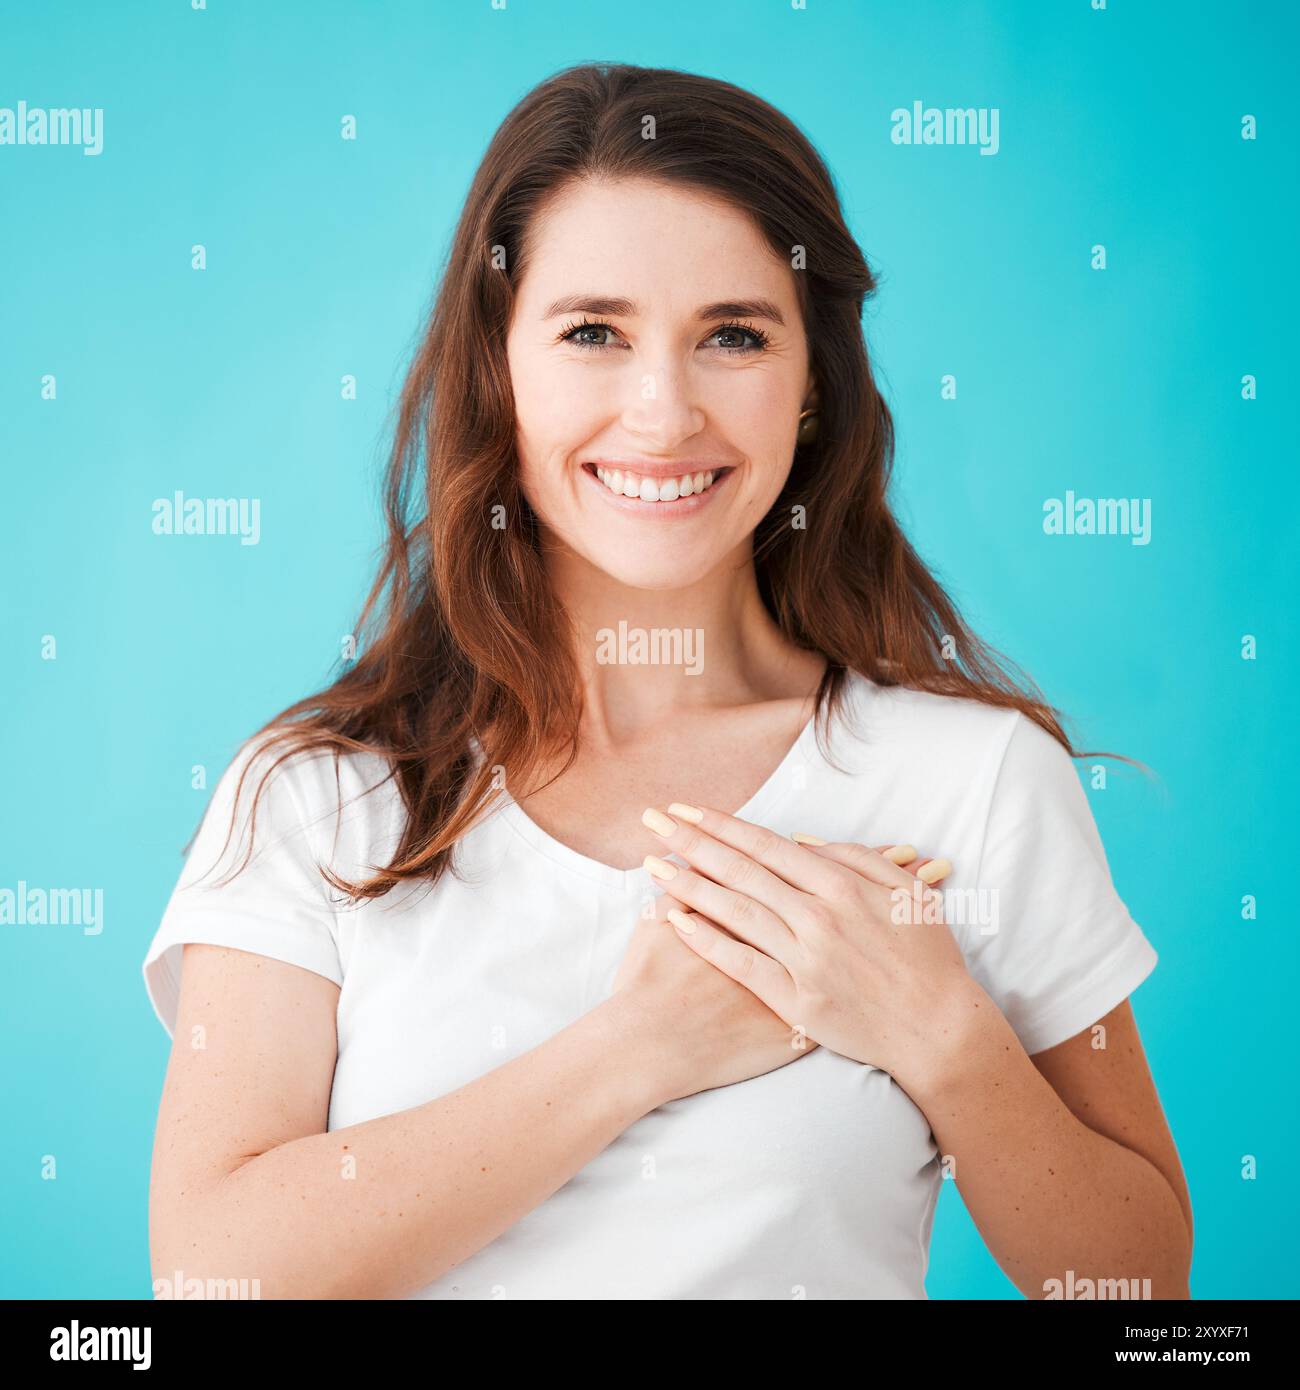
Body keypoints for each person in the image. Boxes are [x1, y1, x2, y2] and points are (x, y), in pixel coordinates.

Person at [142, 62, 1192, 1300]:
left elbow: (1140, 1289)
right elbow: (208, 1277)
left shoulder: (967, 781)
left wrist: (942, 1034)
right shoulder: (317, 798)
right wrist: (638, 1045)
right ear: (500, 366)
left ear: (812, 385)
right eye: (594, 332)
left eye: (733, 336)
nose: (663, 410)